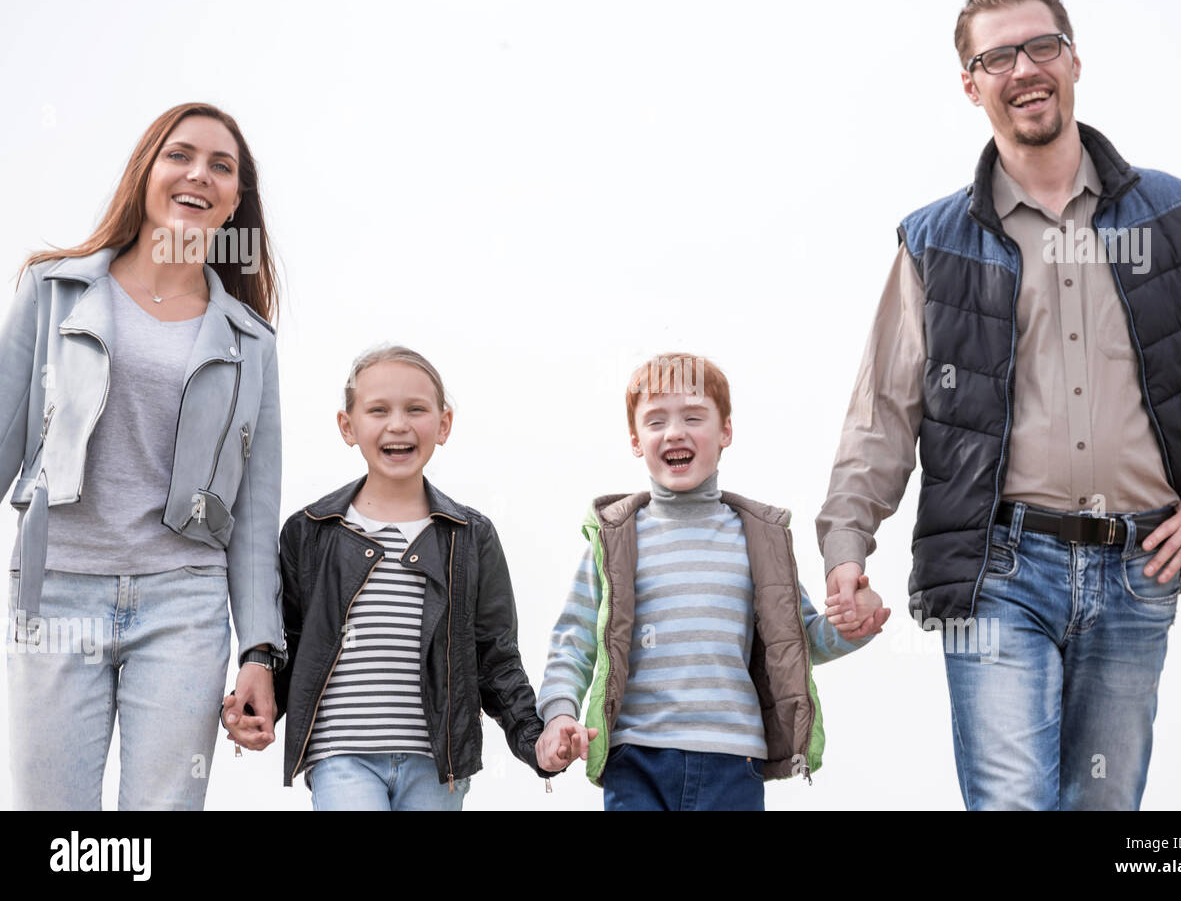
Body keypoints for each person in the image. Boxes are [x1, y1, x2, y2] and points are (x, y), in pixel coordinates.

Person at [817, 0, 1181, 810]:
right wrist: (847, 545)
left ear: (1074, 60)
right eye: (995, 56)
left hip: (1144, 564)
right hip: (998, 568)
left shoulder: (1176, 217)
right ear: (971, 83)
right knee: (1013, 805)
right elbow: (884, 413)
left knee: (1102, 808)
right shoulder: (935, 241)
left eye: (1041, 47)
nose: (1023, 69)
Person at [0, 102, 285, 810]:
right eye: (180, 155)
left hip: (182, 603)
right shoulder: (55, 288)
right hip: (56, 589)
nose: (199, 174)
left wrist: (259, 652)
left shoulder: (251, 341)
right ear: (147, 172)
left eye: (223, 167)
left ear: (235, 202)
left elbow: (253, 515)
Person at [535, 352, 886, 811]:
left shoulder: (760, 539)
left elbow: (797, 640)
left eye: (693, 417)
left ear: (725, 432)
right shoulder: (615, 538)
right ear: (636, 440)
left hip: (733, 762)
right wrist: (559, 714)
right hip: (635, 758)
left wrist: (848, 626)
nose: (675, 432)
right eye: (656, 420)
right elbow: (575, 641)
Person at [255, 345, 551, 809]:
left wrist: (535, 739)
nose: (398, 424)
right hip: (340, 754)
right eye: (378, 410)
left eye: (416, 409)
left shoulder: (471, 537)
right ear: (347, 427)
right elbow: (289, 643)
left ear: (444, 424)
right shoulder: (310, 532)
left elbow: (495, 658)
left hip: (437, 765)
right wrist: (255, 706)